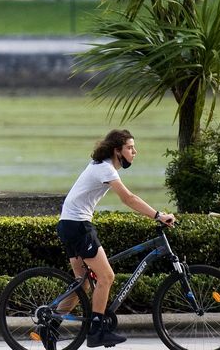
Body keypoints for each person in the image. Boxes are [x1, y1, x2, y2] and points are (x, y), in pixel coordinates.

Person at [57, 129, 175, 348]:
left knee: (82, 285)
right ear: (116, 150)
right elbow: (128, 199)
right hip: (79, 226)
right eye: (130, 148)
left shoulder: (100, 166)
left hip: (67, 225)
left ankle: (50, 326)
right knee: (107, 277)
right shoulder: (105, 168)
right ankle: (96, 331)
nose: (134, 152)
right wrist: (158, 215)